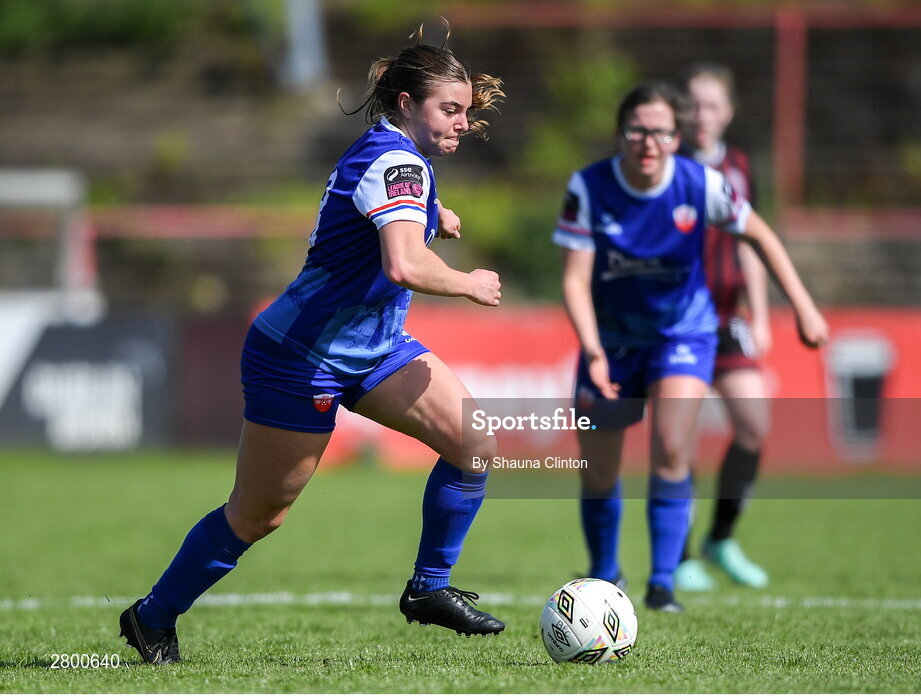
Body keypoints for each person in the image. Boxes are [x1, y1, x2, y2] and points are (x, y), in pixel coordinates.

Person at [119, 26, 507, 664]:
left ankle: (429, 589)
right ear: (406, 103)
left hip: (373, 348)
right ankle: (152, 617)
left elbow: (373, 211)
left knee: (474, 441)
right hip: (302, 357)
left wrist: (435, 211)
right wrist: (467, 282)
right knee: (258, 515)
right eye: (450, 108)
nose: (463, 122)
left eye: (466, 110)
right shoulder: (398, 162)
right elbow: (406, 264)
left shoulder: (398, 158)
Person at [554, 82, 827, 612]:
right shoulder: (588, 187)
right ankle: (606, 575)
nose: (648, 142)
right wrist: (592, 351)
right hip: (609, 341)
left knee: (672, 448)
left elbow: (761, 236)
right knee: (600, 469)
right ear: (620, 135)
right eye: (637, 130)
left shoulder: (702, 184)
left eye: (660, 131)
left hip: (683, 333)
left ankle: (662, 584)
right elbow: (573, 281)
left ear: (677, 138)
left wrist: (804, 306)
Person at [673, 63, 774, 591]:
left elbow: (750, 239)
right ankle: (681, 556)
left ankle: (722, 539)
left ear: (728, 112)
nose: (701, 115)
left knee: (754, 425)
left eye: (712, 105)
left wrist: (760, 310)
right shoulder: (666, 164)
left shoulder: (738, 165)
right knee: (680, 440)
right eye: (692, 104)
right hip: (680, 318)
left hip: (730, 316)